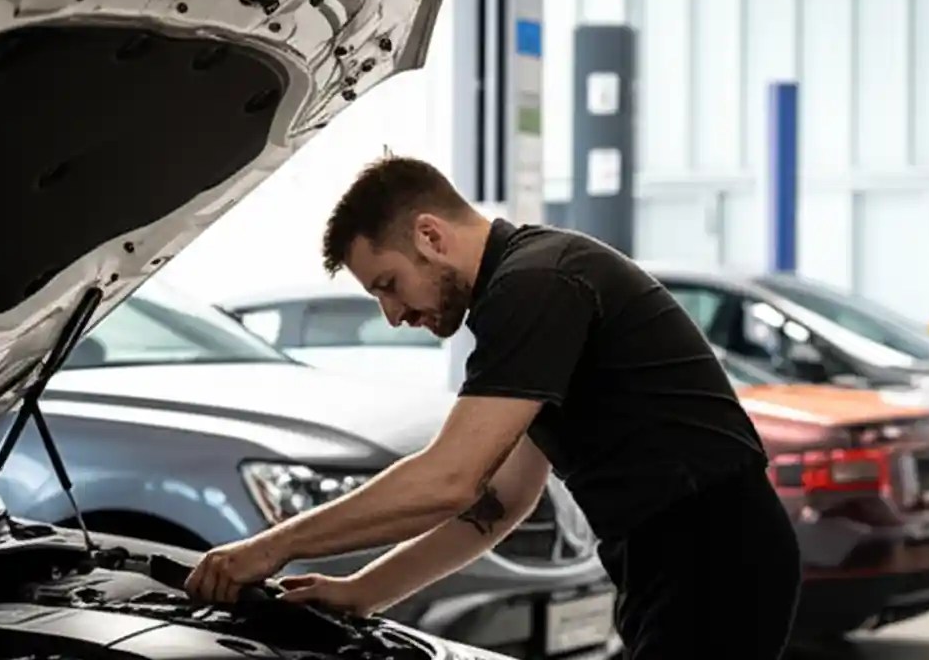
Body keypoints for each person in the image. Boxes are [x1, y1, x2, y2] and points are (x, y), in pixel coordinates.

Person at [184, 156, 802, 658]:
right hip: (685, 558)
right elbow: (500, 500)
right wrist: (362, 592)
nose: (393, 316)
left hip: (712, 560)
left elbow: (449, 480)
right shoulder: (534, 284)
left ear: (430, 236)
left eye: (388, 285)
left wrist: (270, 547)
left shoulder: (538, 283)